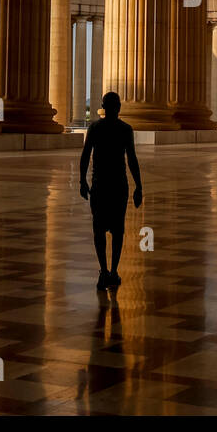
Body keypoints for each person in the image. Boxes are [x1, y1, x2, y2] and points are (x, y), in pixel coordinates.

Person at [79, 91, 143, 291]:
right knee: (117, 229)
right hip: (118, 185)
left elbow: (85, 155)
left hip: (100, 184)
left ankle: (104, 270)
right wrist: (139, 185)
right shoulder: (125, 129)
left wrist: (82, 180)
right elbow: (131, 159)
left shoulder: (95, 128)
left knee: (99, 229)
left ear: (102, 107)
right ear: (118, 108)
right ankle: (113, 271)